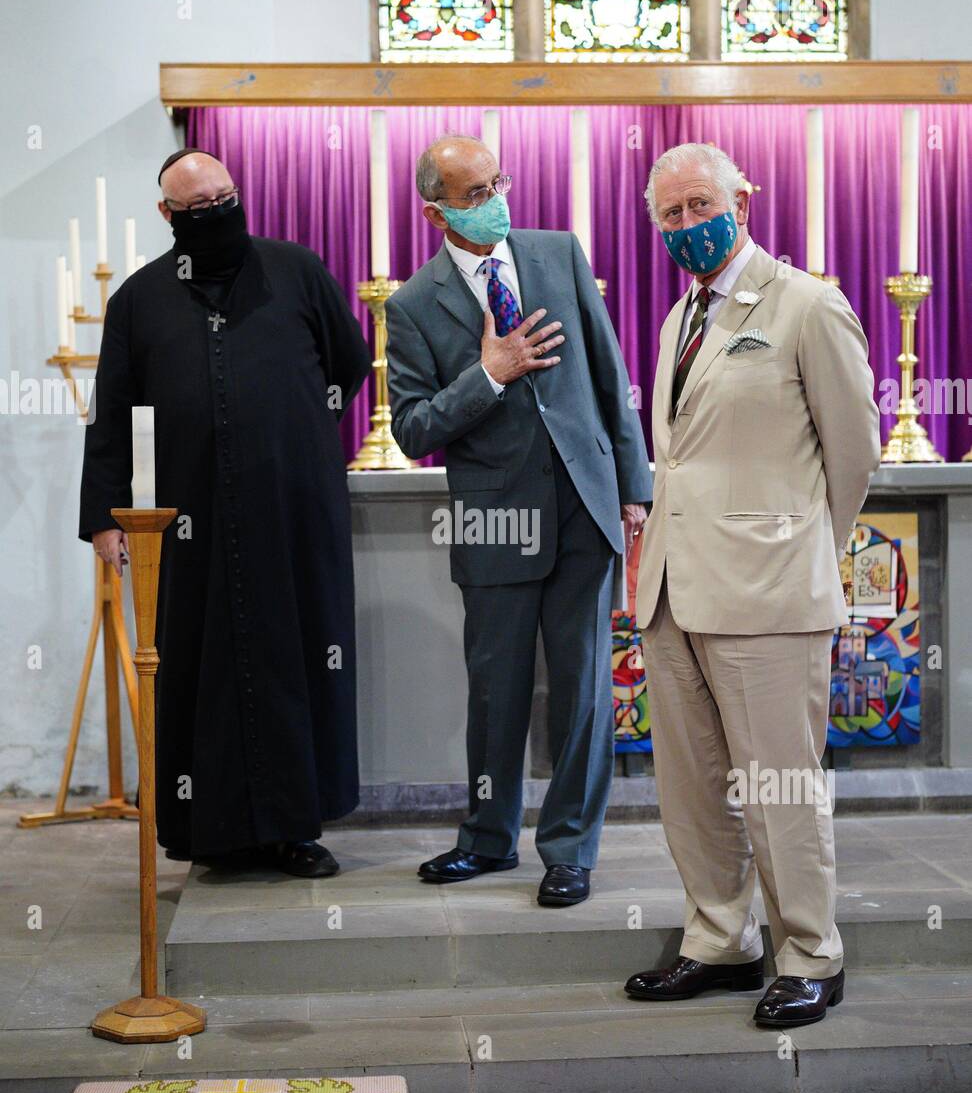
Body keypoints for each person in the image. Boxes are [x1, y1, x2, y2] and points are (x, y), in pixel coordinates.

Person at [626, 142, 881, 1026]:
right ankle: (718, 941)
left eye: (701, 205)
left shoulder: (809, 305)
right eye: (670, 214)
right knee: (693, 789)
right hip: (672, 593)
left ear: (744, 197)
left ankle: (810, 951)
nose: (688, 225)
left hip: (768, 596)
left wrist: (796, 553)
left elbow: (853, 456)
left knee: (780, 789)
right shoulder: (676, 320)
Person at [79, 149, 371, 877]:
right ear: (168, 217)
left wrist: (291, 427)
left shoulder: (295, 270)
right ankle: (211, 833)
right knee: (202, 666)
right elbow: (109, 418)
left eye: (225, 199)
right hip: (191, 520)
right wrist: (104, 519)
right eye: (199, 209)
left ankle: (294, 828)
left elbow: (350, 360)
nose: (217, 215)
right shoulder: (140, 301)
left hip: (293, 511)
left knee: (295, 658)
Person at [386, 135, 651, 906]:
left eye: (497, 182)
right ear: (434, 209)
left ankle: (569, 848)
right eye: (474, 193)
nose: (495, 199)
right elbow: (411, 429)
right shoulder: (412, 305)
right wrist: (488, 375)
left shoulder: (557, 253)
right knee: (495, 691)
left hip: (583, 505)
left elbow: (610, 373)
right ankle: (488, 838)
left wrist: (633, 489)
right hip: (494, 520)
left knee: (582, 690)